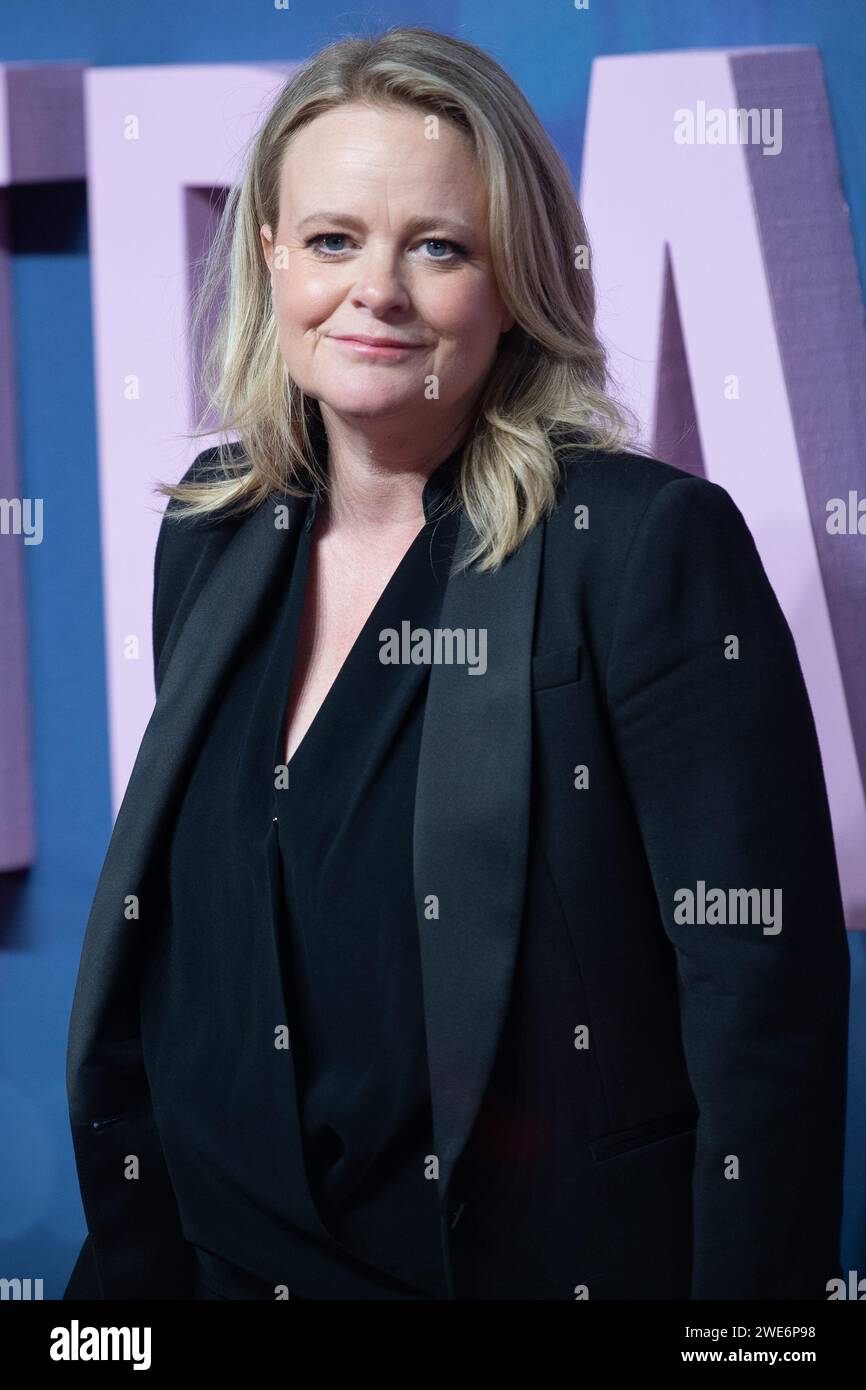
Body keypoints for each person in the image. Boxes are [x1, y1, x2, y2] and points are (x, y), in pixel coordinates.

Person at [63, 26, 849, 1301]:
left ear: (512, 277)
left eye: (437, 245)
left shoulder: (639, 547)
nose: (375, 289)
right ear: (270, 253)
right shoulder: (215, 525)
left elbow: (762, 1011)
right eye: (331, 239)